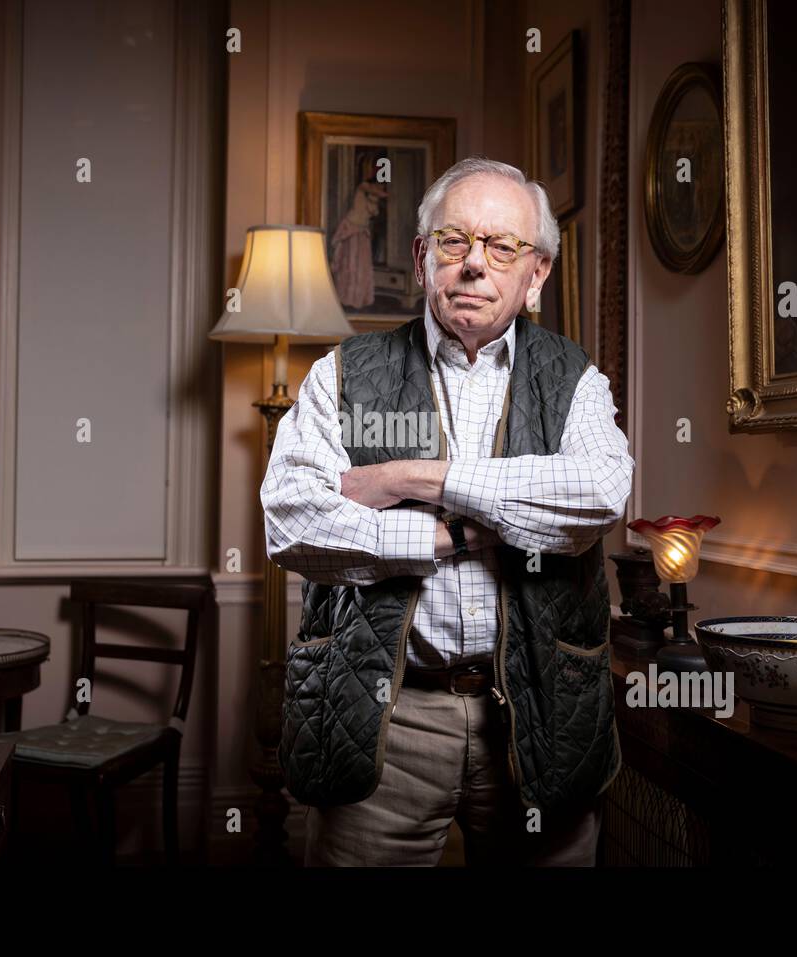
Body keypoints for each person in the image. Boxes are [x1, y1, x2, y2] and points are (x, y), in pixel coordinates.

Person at [260, 156, 634, 866]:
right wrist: (446, 535)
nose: (474, 265)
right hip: (385, 717)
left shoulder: (575, 378)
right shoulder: (340, 373)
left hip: (540, 717)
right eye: (454, 241)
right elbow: (292, 519)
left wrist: (412, 475)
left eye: (502, 246)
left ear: (537, 274)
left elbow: (596, 497)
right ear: (422, 255)